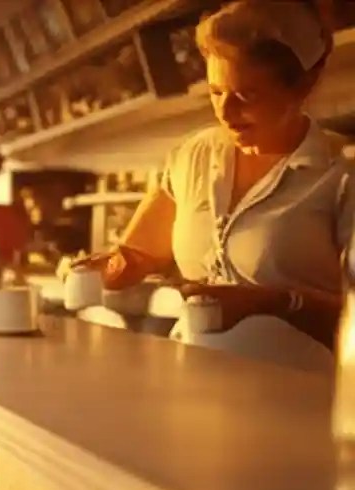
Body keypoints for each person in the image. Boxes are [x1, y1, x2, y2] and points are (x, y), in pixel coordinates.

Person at [77, 0, 352, 347]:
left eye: (245, 95)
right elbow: (135, 256)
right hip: (194, 379)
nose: (225, 111)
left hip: (301, 388)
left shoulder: (341, 174)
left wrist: (276, 303)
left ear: (302, 88)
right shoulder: (193, 156)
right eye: (216, 92)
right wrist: (99, 270)